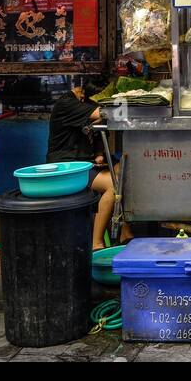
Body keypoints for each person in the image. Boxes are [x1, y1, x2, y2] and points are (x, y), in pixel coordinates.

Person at [46, 76, 119, 251]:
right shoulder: (67, 104)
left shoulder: (84, 103)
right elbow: (100, 114)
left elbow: (101, 134)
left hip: (86, 163)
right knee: (114, 186)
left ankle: (124, 232)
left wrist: (100, 154)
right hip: (67, 166)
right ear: (83, 95)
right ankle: (96, 243)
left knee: (124, 171)